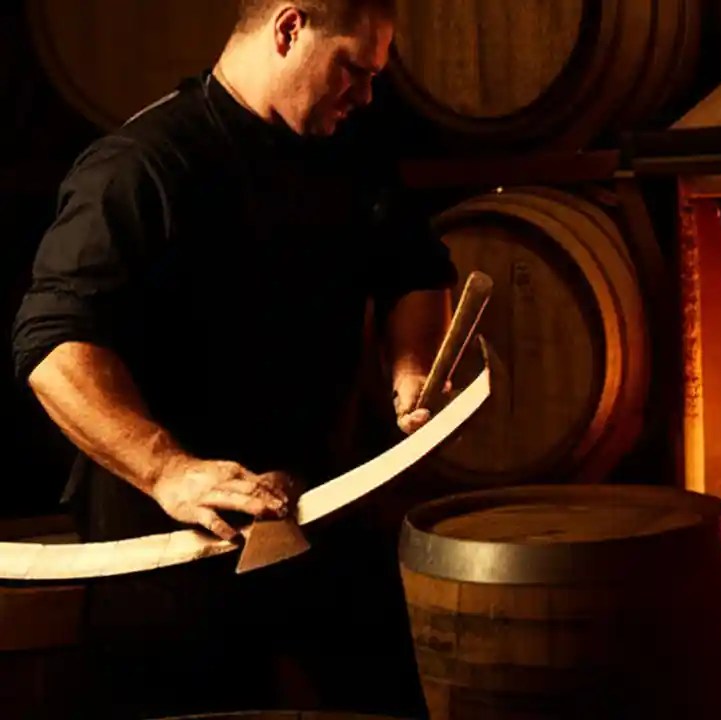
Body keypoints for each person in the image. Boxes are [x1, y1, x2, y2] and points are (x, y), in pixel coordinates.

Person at [10, 1, 454, 717]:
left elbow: (415, 266)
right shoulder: (140, 166)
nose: (367, 95)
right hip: (174, 545)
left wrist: (410, 373)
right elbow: (53, 347)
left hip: (317, 512)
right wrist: (168, 470)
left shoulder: (350, 154)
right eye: (354, 68)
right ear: (289, 29)